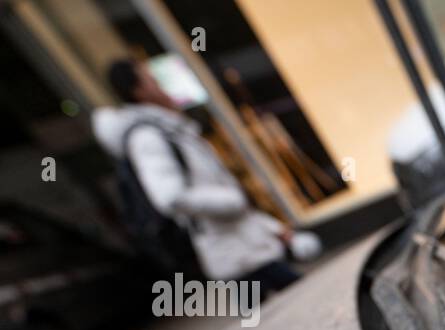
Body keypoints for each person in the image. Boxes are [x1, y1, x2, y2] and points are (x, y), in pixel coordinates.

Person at [93, 59, 319, 292]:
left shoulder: (172, 129)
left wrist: (273, 229)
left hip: (245, 247)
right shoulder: (149, 137)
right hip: (234, 252)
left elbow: (218, 190)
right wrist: (231, 202)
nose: (162, 85)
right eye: (152, 80)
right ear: (138, 91)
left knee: (273, 312)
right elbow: (170, 197)